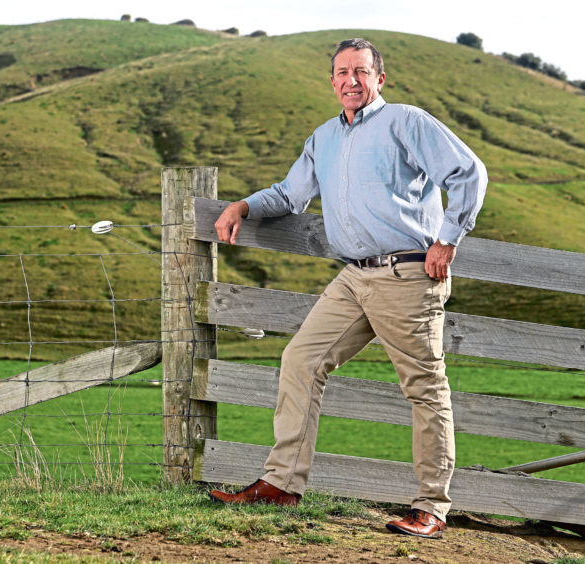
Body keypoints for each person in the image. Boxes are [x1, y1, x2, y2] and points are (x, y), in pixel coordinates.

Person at [208, 38, 487, 539]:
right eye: (342, 73)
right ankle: (282, 484)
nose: (351, 81)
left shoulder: (407, 121)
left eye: (361, 71)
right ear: (331, 81)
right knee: (300, 359)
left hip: (406, 275)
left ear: (381, 78)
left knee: (423, 387)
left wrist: (448, 239)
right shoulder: (324, 138)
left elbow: (469, 173)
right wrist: (242, 206)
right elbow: (290, 196)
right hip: (353, 276)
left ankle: (431, 507)